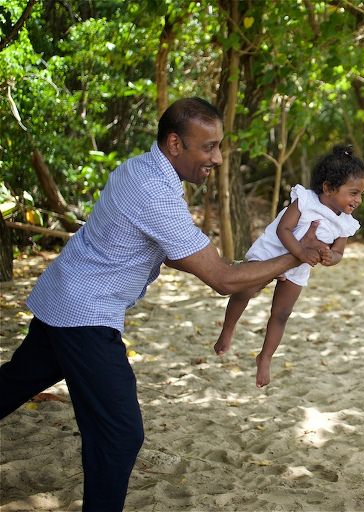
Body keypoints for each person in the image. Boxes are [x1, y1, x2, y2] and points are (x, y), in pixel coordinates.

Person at [0, 97, 328, 511]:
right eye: (208, 147)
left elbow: (175, 252)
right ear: (175, 144)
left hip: (62, 298)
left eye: (219, 146)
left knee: (15, 383)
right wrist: (295, 257)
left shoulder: (142, 169)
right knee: (120, 435)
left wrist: (255, 266)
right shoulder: (154, 190)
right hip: (84, 313)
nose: (218, 158)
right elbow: (222, 280)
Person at [214, 144, 364, 387]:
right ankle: (228, 328)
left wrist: (331, 258)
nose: (358, 200)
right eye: (353, 193)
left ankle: (265, 357)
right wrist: (301, 252)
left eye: (360, 194)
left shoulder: (345, 223)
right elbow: (283, 229)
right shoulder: (305, 200)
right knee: (245, 290)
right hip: (272, 252)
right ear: (328, 188)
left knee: (282, 313)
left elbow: (339, 252)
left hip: (299, 266)